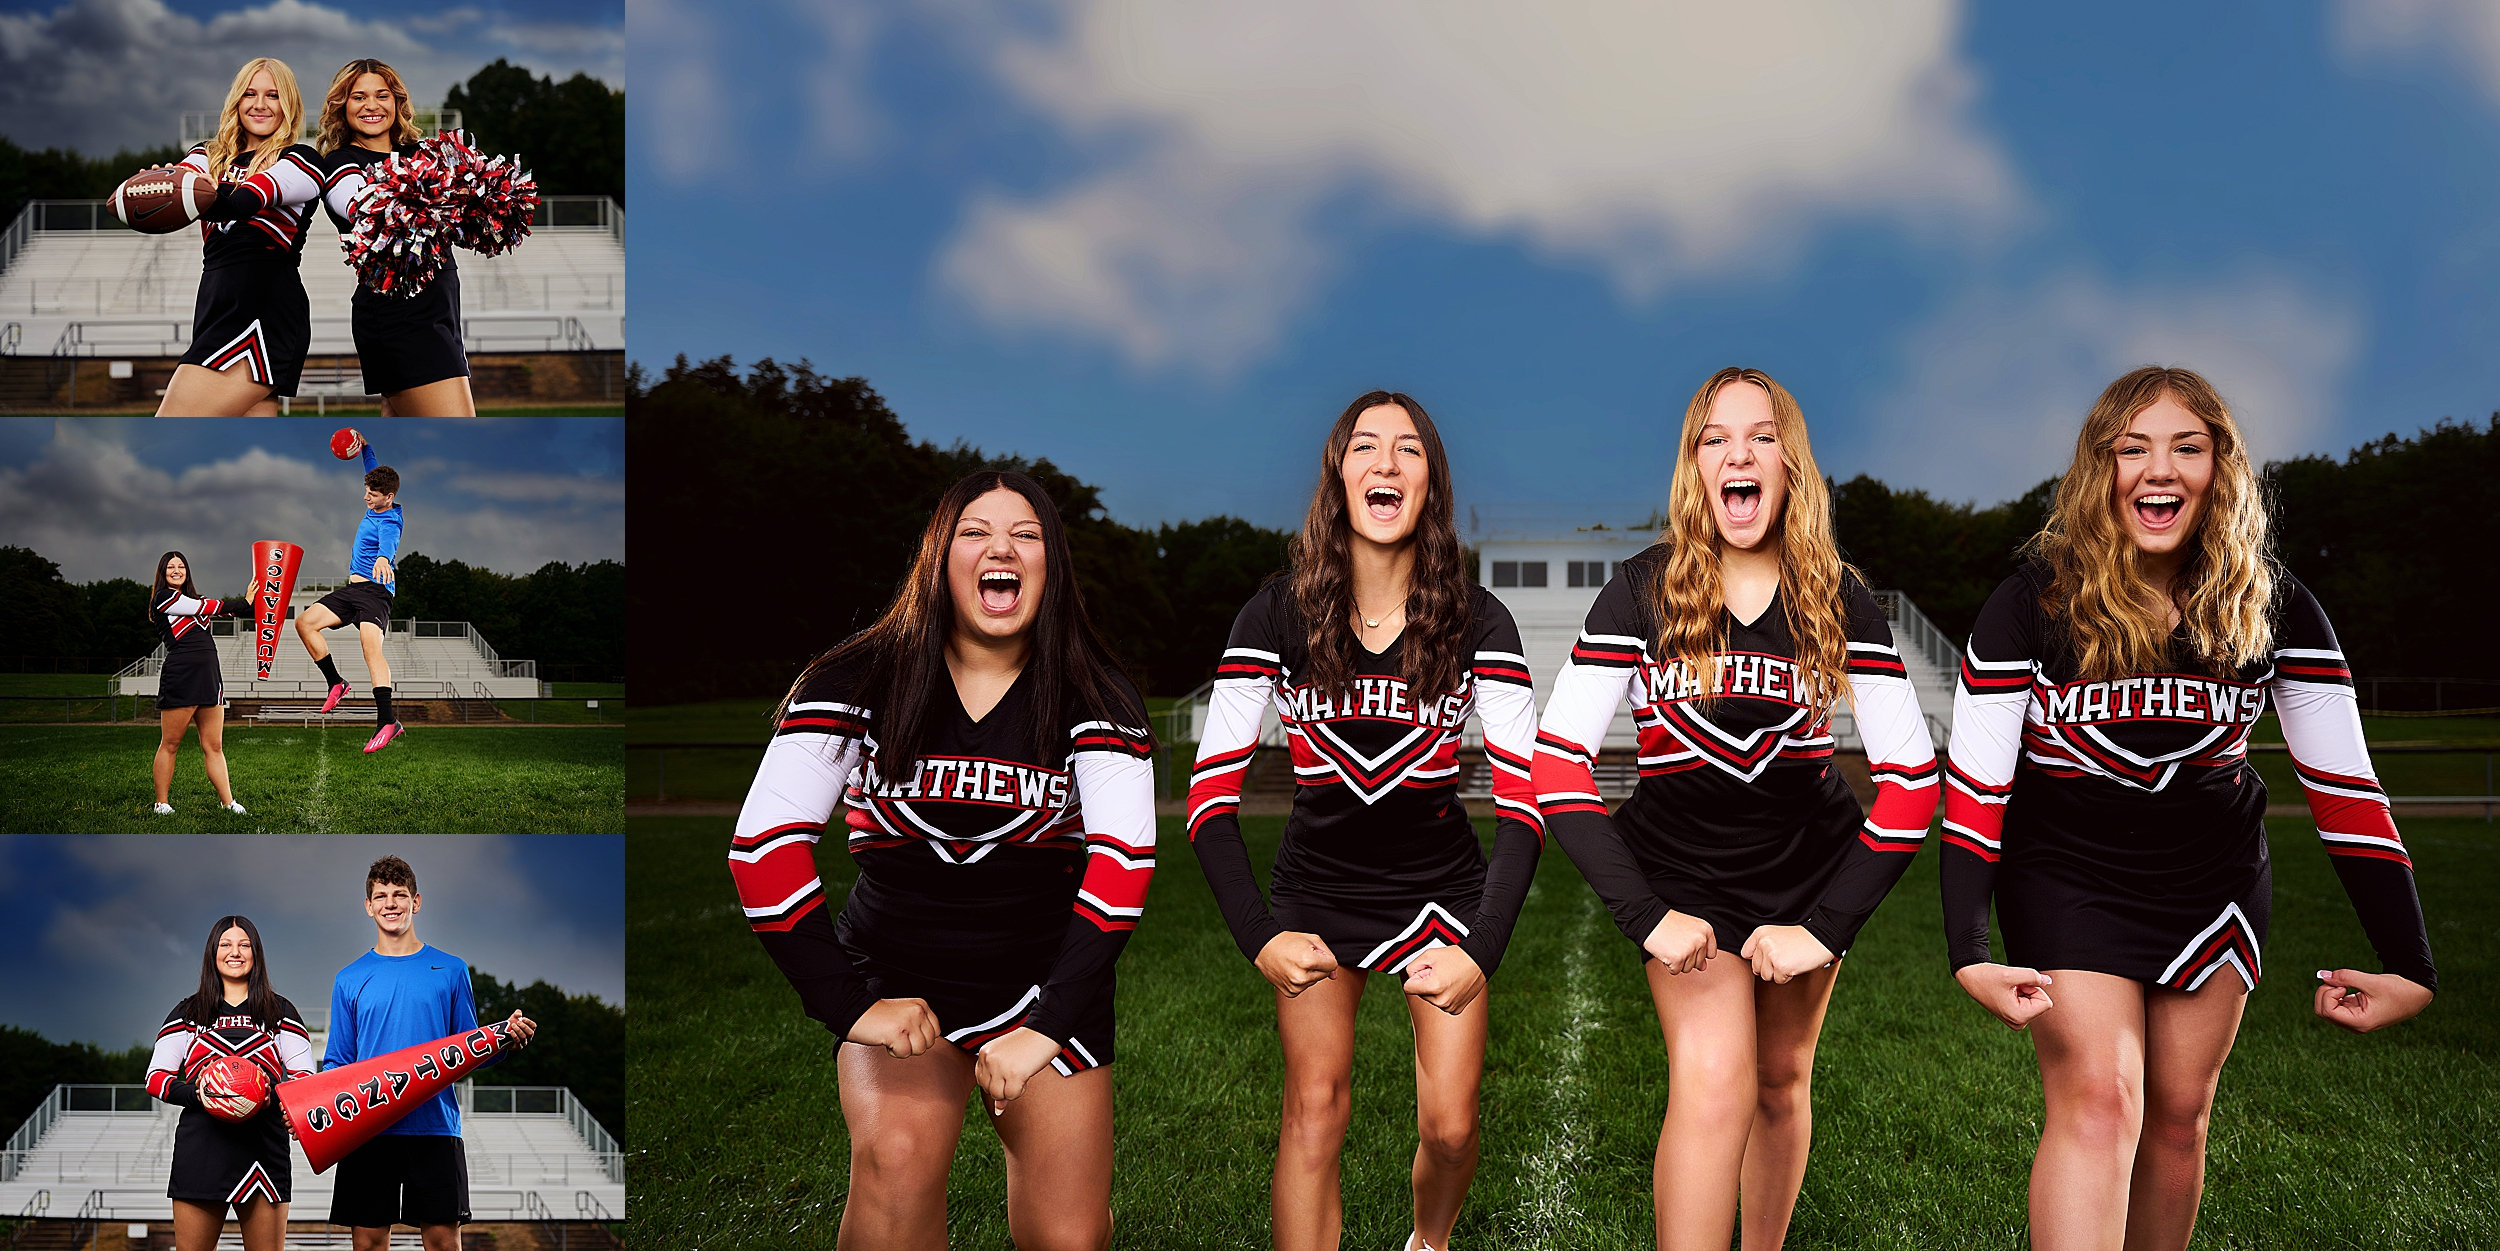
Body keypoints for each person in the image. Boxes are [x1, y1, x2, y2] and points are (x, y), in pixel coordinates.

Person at [1940, 365, 2437, 1251]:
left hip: (2214, 884)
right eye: (2132, 448)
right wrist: (1968, 950)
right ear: (2101, 468)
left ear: (2221, 468)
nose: (2159, 469)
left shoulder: (2276, 604)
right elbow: (1977, 789)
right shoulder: (2030, 603)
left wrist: (2410, 961)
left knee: (2179, 1115)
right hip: (2069, 875)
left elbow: (2347, 790)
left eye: (2187, 447)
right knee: (2102, 1097)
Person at [1533, 367, 1939, 1251]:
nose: (1738, 454)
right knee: (1716, 1078)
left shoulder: (1836, 593)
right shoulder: (1640, 589)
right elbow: (1556, 764)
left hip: (1808, 871)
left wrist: (1824, 928)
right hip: (1684, 875)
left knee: (1781, 1081)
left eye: (1761, 436)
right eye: (1715, 438)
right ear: (1694, 466)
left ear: (1791, 462)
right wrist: (1646, 914)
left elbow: (1913, 778)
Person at [730, 470, 1157, 1251]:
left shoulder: (1097, 694)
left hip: (1042, 981)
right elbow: (764, 848)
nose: (1002, 548)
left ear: (1053, 565)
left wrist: (1047, 1025)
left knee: (1068, 1238)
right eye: (975, 532)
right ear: (938, 557)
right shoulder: (855, 677)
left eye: (1026, 534)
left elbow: (1123, 865)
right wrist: (850, 1005)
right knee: (894, 1164)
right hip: (899, 975)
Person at [1187, 391, 1543, 1251]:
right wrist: (1259, 935)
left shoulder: (1480, 619)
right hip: (1318, 888)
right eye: (1365, 446)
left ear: (1432, 483)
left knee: (1451, 1126)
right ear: (1337, 476)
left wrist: (1482, 947)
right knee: (1314, 1109)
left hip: (1440, 891)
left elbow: (1525, 803)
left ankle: (1428, 1242)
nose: (1386, 462)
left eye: (1408, 449)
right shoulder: (1274, 614)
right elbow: (1207, 798)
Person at [325, 855, 537, 1251]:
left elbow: (470, 1047)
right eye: (381, 896)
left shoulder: (451, 970)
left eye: (400, 894)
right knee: (368, 1242)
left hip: (435, 1126)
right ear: (368, 906)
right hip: (369, 1128)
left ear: (416, 902)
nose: (391, 903)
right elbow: (339, 1060)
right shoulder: (349, 978)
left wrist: (504, 1038)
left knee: (443, 1242)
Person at [155, 58, 326, 417]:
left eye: (273, 95)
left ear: (289, 105)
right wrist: (158, 188)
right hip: (214, 304)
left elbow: (244, 200)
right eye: (250, 94)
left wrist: (193, 191)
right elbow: (182, 185)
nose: (260, 104)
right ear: (236, 100)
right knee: (250, 436)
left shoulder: (302, 161)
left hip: (262, 310)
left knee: (173, 424)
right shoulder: (206, 154)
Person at [314, 59, 476, 416]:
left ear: (397, 101)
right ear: (342, 106)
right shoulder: (340, 163)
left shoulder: (422, 154)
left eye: (382, 95)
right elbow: (362, 207)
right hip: (398, 314)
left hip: (442, 308)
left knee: (407, 427)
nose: (371, 105)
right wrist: (442, 196)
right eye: (359, 97)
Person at [148, 915, 316, 1251]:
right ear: (213, 953)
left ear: (256, 953)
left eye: (244, 945)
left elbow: (305, 1079)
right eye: (225, 944)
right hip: (202, 1149)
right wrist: (201, 1094)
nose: (235, 952)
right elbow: (156, 1078)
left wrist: (269, 1096)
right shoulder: (188, 1012)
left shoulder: (280, 1011)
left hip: (263, 1150)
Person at [294, 431, 405, 752]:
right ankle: (336, 682)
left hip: (376, 593)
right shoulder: (378, 494)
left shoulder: (390, 523)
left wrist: (384, 558)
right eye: (366, 490)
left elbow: (388, 544)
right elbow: (371, 465)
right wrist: (365, 446)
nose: (366, 497)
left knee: (371, 650)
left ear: (389, 496)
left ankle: (387, 722)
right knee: (304, 623)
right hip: (353, 590)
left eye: (373, 494)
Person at [149, 550, 250, 816]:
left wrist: (260, 597)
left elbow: (231, 611)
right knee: (170, 744)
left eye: (181, 566)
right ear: (162, 572)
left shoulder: (195, 599)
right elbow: (207, 608)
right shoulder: (164, 598)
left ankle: (228, 803)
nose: (176, 571)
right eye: (171, 567)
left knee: (214, 746)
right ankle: (161, 803)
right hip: (182, 674)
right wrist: (243, 602)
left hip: (209, 675)